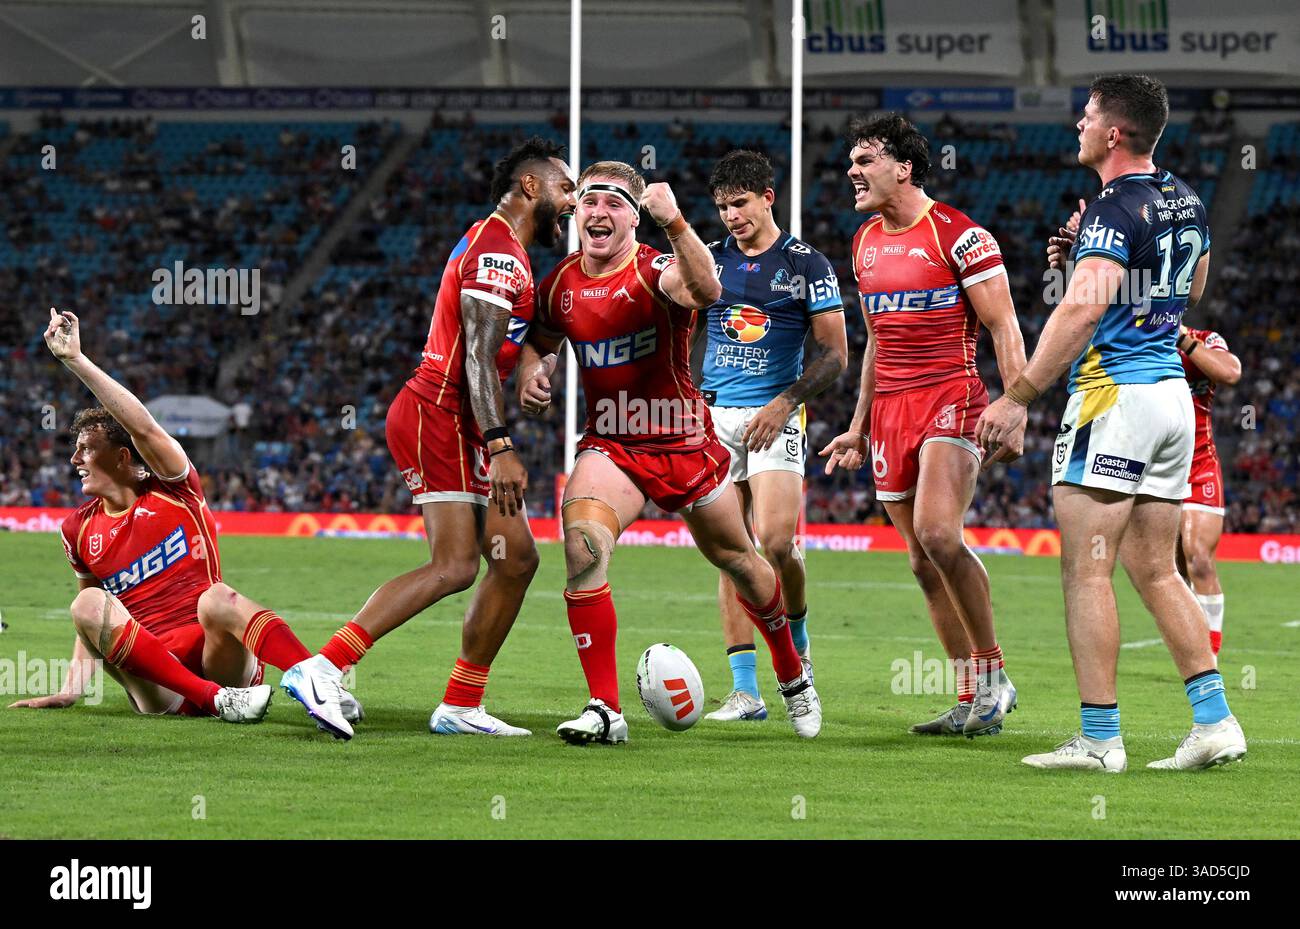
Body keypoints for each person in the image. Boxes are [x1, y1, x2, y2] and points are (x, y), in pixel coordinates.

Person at [982, 74, 1246, 771]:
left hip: (1114, 398)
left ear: (1114, 133)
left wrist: (1019, 395)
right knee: (1158, 570)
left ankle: (1100, 740)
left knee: (1085, 572)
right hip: (1169, 398)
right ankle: (1215, 721)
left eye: (1088, 115)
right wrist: (1085, 261)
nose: (1078, 124)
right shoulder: (1184, 196)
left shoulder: (1112, 206)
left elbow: (1081, 310)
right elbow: (1190, 289)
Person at [281, 137, 577, 739]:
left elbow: (491, 352)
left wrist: (524, 372)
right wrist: (500, 445)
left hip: (456, 419)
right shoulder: (498, 251)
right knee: (456, 565)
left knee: (515, 559)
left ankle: (461, 703)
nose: (572, 203)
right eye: (565, 188)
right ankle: (324, 667)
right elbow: (474, 355)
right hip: (437, 416)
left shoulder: (501, 245)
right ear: (530, 187)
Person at [518, 161, 822, 743]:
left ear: (635, 217)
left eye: (613, 204)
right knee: (582, 546)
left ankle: (791, 672)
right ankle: (605, 709)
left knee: (742, 561)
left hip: (682, 439)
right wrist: (537, 369)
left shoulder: (656, 267)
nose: (597, 213)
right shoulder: (560, 284)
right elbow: (540, 340)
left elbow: (708, 291)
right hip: (613, 441)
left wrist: (677, 222)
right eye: (588, 202)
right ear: (577, 211)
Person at [13, 309, 360, 731]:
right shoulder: (78, 529)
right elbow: (93, 622)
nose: (75, 459)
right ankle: (215, 702)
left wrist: (76, 361)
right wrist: (71, 688)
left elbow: (145, 430)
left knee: (216, 597)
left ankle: (316, 679)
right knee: (85, 602)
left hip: (222, 661)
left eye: (86, 448)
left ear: (122, 457)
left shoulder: (174, 488)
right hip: (160, 683)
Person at [821, 114, 1027, 737]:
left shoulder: (960, 237)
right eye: (850, 161)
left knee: (940, 533)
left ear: (903, 167)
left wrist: (1015, 403)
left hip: (951, 397)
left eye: (864, 160)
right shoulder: (862, 242)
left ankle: (993, 677)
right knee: (919, 560)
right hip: (890, 412)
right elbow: (877, 343)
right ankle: (972, 697)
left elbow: (1004, 325)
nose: (851, 171)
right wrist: (858, 426)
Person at [697, 149, 847, 722]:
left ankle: (799, 652)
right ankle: (746, 691)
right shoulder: (708, 260)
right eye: (722, 208)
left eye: (740, 204)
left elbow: (835, 354)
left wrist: (785, 403)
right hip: (714, 416)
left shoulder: (806, 264)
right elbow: (687, 333)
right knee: (731, 555)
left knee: (775, 542)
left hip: (775, 415)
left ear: (768, 197)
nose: (731, 216)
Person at [1175, 325, 1241, 656]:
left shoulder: (1205, 337)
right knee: (1170, 570)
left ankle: (1208, 657)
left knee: (1199, 558)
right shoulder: (1136, 337)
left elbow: (1230, 372)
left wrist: (1182, 338)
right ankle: (1188, 642)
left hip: (1199, 465)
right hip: (1153, 468)